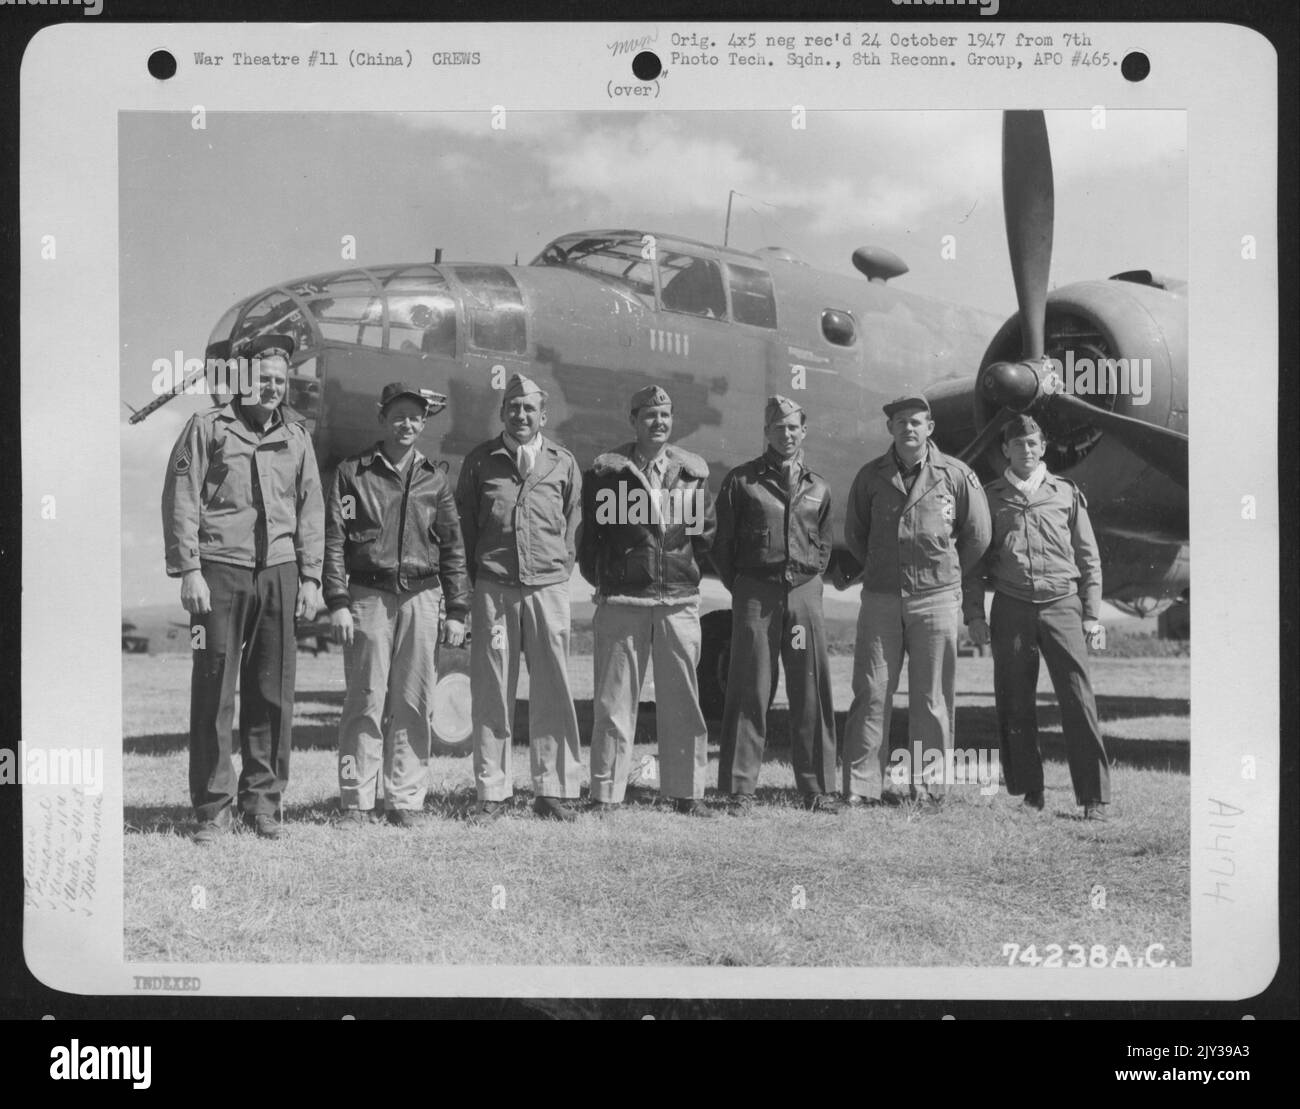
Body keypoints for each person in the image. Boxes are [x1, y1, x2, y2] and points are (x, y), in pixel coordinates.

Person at [161, 334, 324, 843]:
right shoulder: (206, 427)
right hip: (219, 573)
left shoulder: (298, 437)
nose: (273, 388)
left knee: (272, 692)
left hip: (279, 571)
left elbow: (311, 509)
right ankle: (212, 808)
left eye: (281, 380)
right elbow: (182, 499)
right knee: (214, 690)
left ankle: (263, 803)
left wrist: (312, 577)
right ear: (242, 382)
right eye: (264, 380)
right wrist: (188, 571)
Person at [323, 382, 470, 829]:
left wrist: (459, 609)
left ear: (424, 423)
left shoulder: (434, 478)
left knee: (412, 700)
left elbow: (453, 548)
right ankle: (356, 799)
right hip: (368, 596)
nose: (407, 424)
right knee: (365, 700)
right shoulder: (353, 473)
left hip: (423, 598)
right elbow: (334, 539)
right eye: (399, 415)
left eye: (416, 417)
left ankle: (404, 800)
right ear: (383, 418)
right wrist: (338, 600)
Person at [841, 394, 990, 808]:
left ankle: (928, 790)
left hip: (936, 599)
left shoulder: (957, 475)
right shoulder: (871, 476)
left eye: (917, 421)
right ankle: (860, 787)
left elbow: (977, 536)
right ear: (890, 429)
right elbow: (856, 535)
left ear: (930, 428)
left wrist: (943, 570)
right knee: (871, 692)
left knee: (932, 698)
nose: (909, 428)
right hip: (881, 599)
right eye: (901, 421)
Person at [578, 384, 717, 816]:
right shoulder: (607, 474)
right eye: (650, 415)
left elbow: (705, 536)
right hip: (622, 601)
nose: (659, 422)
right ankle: (606, 793)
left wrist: (679, 575)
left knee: (683, 705)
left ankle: (687, 792)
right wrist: (615, 576)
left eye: (666, 415)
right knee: (614, 704)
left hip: (677, 602)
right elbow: (590, 543)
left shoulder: (692, 475)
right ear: (634, 420)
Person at [963, 415, 1111, 819]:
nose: (1025, 450)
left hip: (1063, 605)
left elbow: (1089, 558)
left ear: (1042, 447)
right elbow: (973, 563)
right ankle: (1030, 792)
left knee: (1078, 698)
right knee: (1015, 702)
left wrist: (1091, 614)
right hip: (1010, 606)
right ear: (1005, 450)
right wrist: (975, 615)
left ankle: (1094, 798)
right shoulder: (989, 497)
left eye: (1032, 443)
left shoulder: (1065, 493)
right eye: (1017, 444)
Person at [455, 373, 585, 822]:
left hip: (548, 588)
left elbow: (572, 526)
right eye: (513, 406)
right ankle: (492, 792)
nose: (521, 414)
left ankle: (555, 790)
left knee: (553, 689)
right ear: (502, 412)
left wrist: (557, 570)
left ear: (543, 415)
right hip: (494, 590)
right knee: (493, 690)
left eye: (529, 408)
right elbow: (464, 529)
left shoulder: (563, 463)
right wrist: (477, 583)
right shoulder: (479, 462)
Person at [713, 396, 840, 814]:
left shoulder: (818, 486)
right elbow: (723, 546)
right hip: (756, 593)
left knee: (810, 688)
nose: (786, 435)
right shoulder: (741, 481)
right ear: (766, 432)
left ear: (804, 431)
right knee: (749, 686)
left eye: (793, 428)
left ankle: (818, 788)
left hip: (803, 594)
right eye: (777, 428)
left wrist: (806, 579)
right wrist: (747, 587)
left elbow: (822, 546)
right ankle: (738, 788)